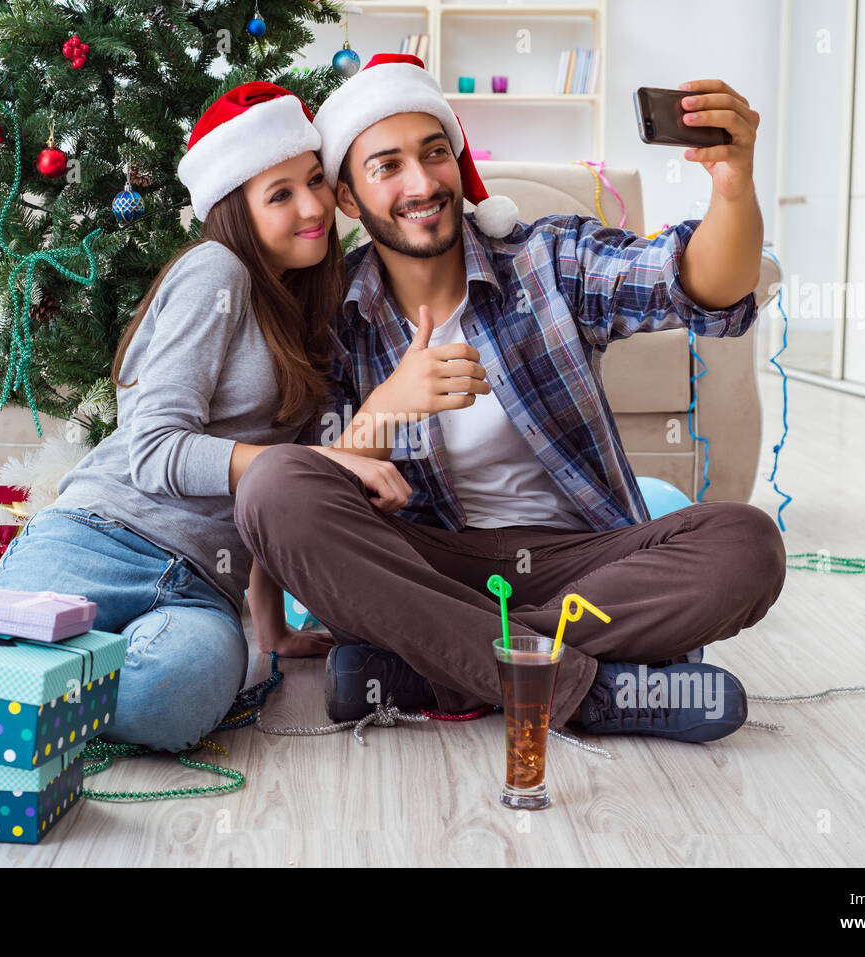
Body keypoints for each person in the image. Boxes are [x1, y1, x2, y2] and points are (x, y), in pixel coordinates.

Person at [235, 55, 786, 743]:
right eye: (387, 166)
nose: (421, 181)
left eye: (435, 153)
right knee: (274, 484)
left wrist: (732, 189)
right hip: (427, 566)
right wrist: (383, 410)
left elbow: (697, 285)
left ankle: (433, 669)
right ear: (348, 198)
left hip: (583, 564)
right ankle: (591, 689)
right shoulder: (335, 319)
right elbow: (309, 496)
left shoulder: (546, 260)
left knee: (747, 544)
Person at [0, 82, 411, 753]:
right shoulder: (217, 272)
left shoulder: (308, 311)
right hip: (98, 538)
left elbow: (273, 499)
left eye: (313, 181)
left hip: (198, 589)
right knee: (28, 662)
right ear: (235, 209)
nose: (313, 207)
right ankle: (14, 681)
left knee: (175, 697)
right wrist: (328, 461)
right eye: (280, 194)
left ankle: (24, 692)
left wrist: (268, 627)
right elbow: (155, 451)